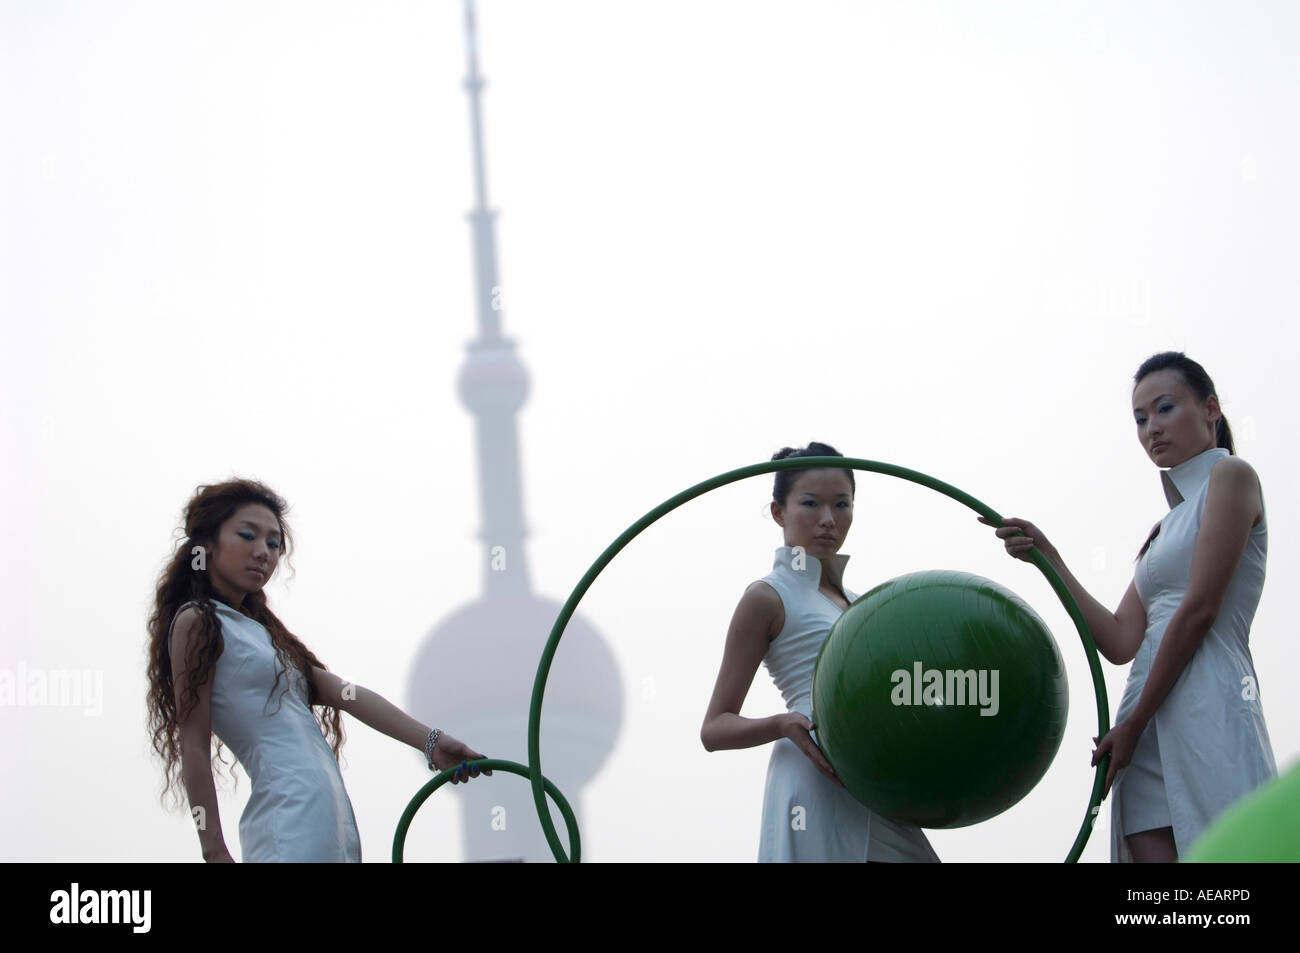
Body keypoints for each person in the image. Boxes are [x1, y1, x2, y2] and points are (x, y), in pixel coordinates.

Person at [981, 352, 1276, 862]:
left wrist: (1134, 726)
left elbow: (1201, 610)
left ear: (1210, 409)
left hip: (1206, 700)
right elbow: (1119, 641)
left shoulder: (1232, 477)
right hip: (1142, 713)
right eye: (1140, 419)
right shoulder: (1164, 532)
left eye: (1164, 409)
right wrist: (1047, 557)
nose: (1151, 429)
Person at [146, 479, 488, 862]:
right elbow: (193, 741)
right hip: (286, 816)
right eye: (247, 536)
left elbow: (349, 694)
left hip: (333, 819)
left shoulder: (267, 637)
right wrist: (214, 851)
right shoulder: (198, 622)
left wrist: (431, 740)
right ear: (206, 545)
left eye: (274, 544)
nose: (263, 552)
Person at [701, 443, 940, 862]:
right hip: (813, 779)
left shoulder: (862, 601)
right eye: (811, 503)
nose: (829, 520)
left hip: (876, 775)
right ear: (779, 512)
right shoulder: (767, 596)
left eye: (842, 504)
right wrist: (782, 723)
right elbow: (714, 728)